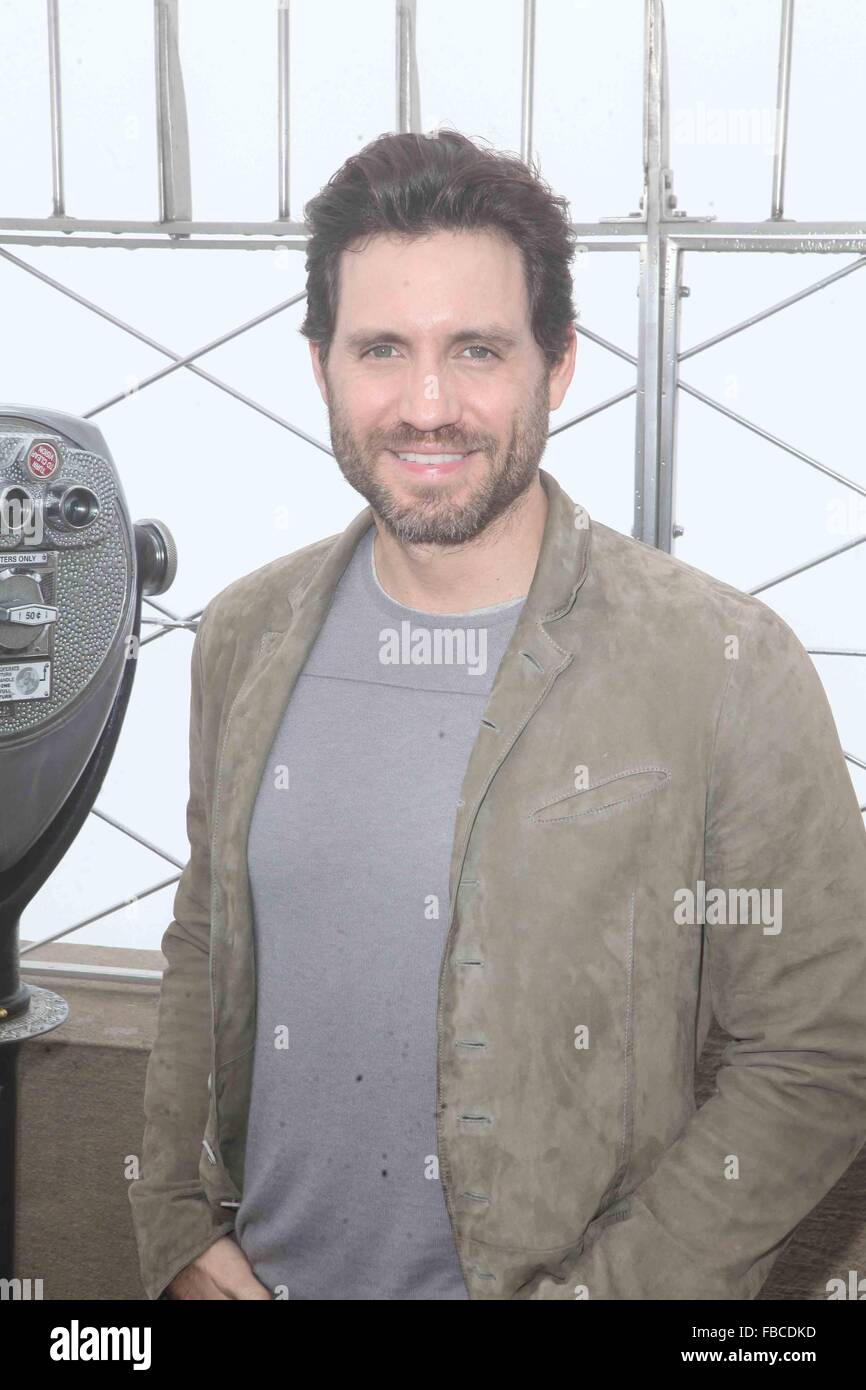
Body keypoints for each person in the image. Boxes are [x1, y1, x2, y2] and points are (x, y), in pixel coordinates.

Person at [130, 130, 866, 1301]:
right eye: (381, 349)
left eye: (475, 349)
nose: (427, 407)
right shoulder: (242, 636)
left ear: (556, 364)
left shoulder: (721, 663)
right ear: (320, 365)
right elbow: (206, 937)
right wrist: (174, 1221)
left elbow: (823, 1048)